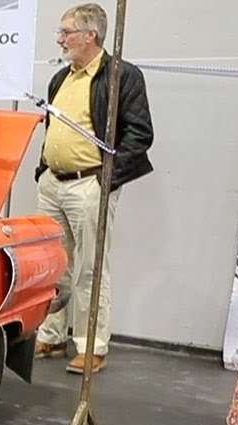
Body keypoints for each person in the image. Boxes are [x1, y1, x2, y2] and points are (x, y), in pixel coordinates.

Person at [33, 3, 153, 374]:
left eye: (66, 32)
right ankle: (52, 334)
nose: (60, 39)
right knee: (52, 264)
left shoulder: (121, 76)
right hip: (53, 183)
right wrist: (43, 170)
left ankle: (92, 345)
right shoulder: (61, 78)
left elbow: (141, 134)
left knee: (90, 268)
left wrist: (106, 178)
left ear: (91, 35)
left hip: (89, 184)